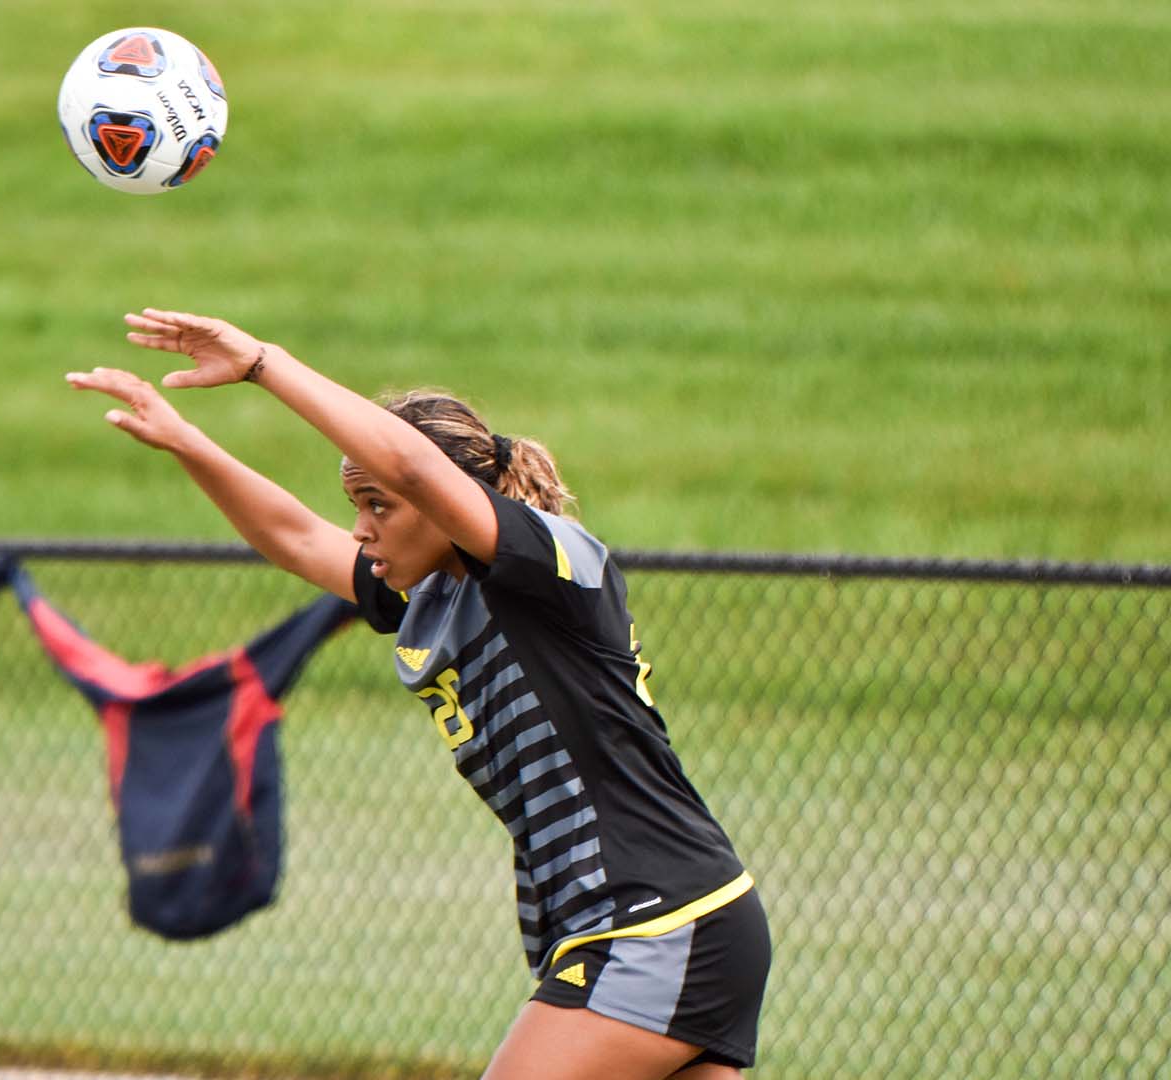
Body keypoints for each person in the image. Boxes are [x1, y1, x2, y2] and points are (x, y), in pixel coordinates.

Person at [68, 309, 771, 1079]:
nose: (363, 529)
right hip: (646, 927)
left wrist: (263, 362)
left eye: (379, 506)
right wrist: (189, 442)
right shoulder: (431, 595)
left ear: (448, 500)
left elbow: (410, 468)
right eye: (356, 508)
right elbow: (299, 539)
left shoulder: (550, 565)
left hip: (656, 920)